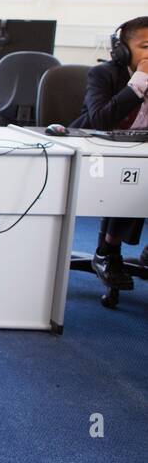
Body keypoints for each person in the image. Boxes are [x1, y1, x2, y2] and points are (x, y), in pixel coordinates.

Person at [73, 15, 148, 289]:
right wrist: (139, 82)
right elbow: (101, 120)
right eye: (146, 46)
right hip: (94, 157)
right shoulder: (103, 74)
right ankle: (108, 251)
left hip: (139, 155)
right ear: (122, 51)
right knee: (133, 177)